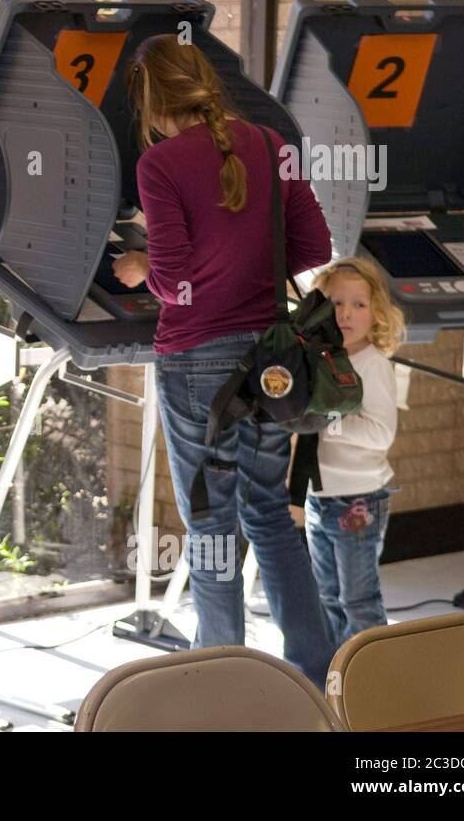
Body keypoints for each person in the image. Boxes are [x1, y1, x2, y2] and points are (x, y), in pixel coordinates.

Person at [112, 34, 336, 687]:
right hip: (271, 359)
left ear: (152, 101)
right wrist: (243, 269)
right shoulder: (271, 145)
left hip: (196, 363)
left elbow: (176, 281)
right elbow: (313, 242)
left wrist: (139, 267)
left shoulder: (159, 165)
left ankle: (222, 680)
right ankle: (316, 671)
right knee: (268, 511)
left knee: (211, 522)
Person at [304, 257, 403, 645]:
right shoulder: (321, 361)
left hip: (358, 501)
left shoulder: (373, 365)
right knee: (326, 597)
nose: (345, 313)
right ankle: (332, 678)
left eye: (358, 305)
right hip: (320, 498)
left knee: (358, 601)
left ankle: (370, 684)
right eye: (335, 303)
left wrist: (325, 419)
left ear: (376, 314)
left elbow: (380, 434)